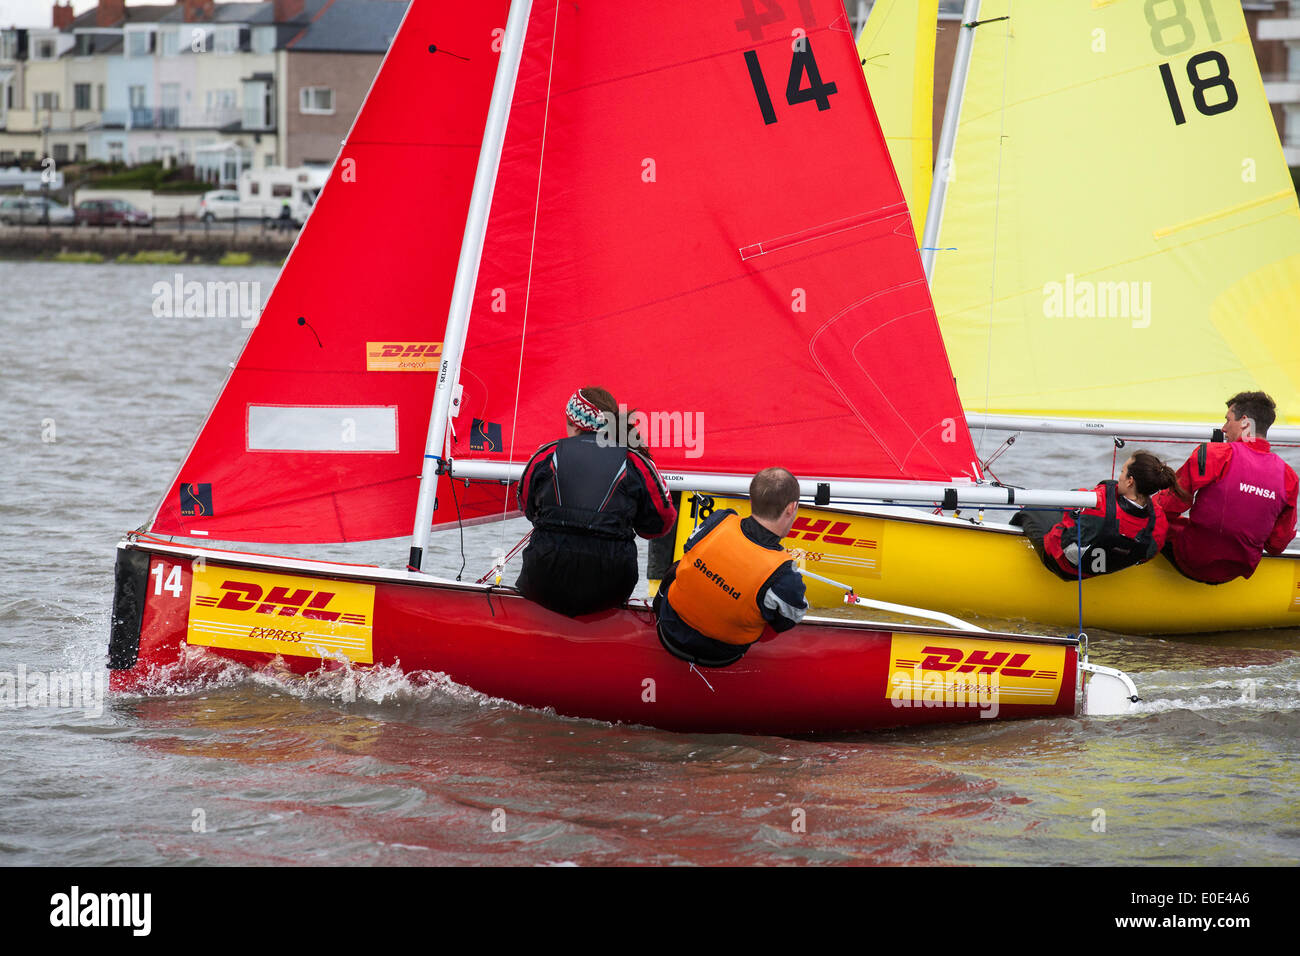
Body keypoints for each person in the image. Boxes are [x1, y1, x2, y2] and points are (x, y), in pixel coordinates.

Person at [515, 387, 677, 617]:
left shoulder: (546, 455)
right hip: (610, 590)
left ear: (573, 424)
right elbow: (661, 524)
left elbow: (527, 507)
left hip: (542, 581)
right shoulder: (636, 461)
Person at [655, 467, 808, 667]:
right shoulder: (784, 574)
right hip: (720, 655)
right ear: (791, 508)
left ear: (752, 500)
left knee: (683, 562)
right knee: (770, 610)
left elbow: (688, 548)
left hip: (668, 628)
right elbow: (789, 620)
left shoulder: (719, 520)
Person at [1154, 391, 1298, 584]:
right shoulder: (1289, 477)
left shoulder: (1215, 454)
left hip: (1192, 560)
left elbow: (1169, 504)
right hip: (1237, 570)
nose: (1223, 428)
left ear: (1245, 422)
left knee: (1149, 515)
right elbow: (1276, 545)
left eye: (1227, 420)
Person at [1013, 451, 1177, 581]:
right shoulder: (1158, 520)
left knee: (1033, 509)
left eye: (1123, 471)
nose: (1119, 476)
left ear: (1130, 481)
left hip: (1062, 565)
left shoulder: (1097, 502)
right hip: (1101, 568)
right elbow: (1146, 555)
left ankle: (1007, 540)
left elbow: (1066, 535)